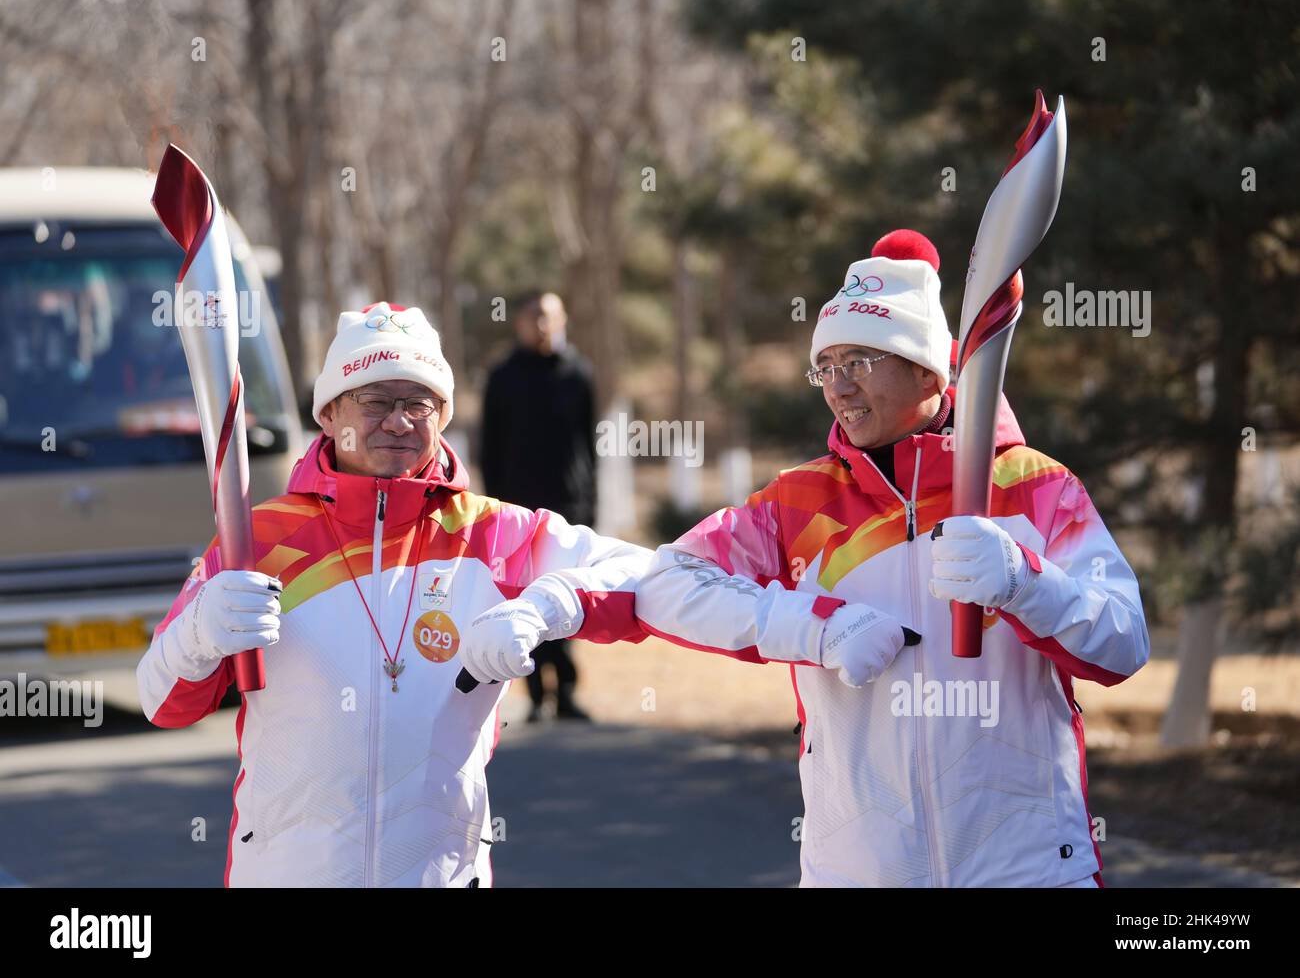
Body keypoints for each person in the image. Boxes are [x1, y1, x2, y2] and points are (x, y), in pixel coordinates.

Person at [462, 229, 1150, 887]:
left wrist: (1026, 583)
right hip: (857, 872)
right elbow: (669, 581)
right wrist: (817, 626)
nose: (839, 387)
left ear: (927, 368)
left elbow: (1123, 639)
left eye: (860, 362)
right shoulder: (798, 504)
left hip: (1026, 868)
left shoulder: (1034, 487)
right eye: (825, 366)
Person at [137, 301, 651, 888]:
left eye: (419, 403)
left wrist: (545, 606)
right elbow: (162, 700)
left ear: (443, 415)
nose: (400, 422)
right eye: (376, 401)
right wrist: (199, 630)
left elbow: (649, 581)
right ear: (329, 414)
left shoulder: (493, 535)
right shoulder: (257, 539)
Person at [480, 291, 597, 721]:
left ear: (563, 319)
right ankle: (534, 694)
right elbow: (490, 448)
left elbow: (589, 447)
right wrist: (494, 512)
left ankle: (565, 692)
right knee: (528, 599)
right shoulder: (503, 376)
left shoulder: (578, 374)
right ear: (520, 324)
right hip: (518, 510)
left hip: (569, 505)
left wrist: (590, 504)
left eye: (550, 317)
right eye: (535, 317)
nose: (544, 325)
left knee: (567, 599)